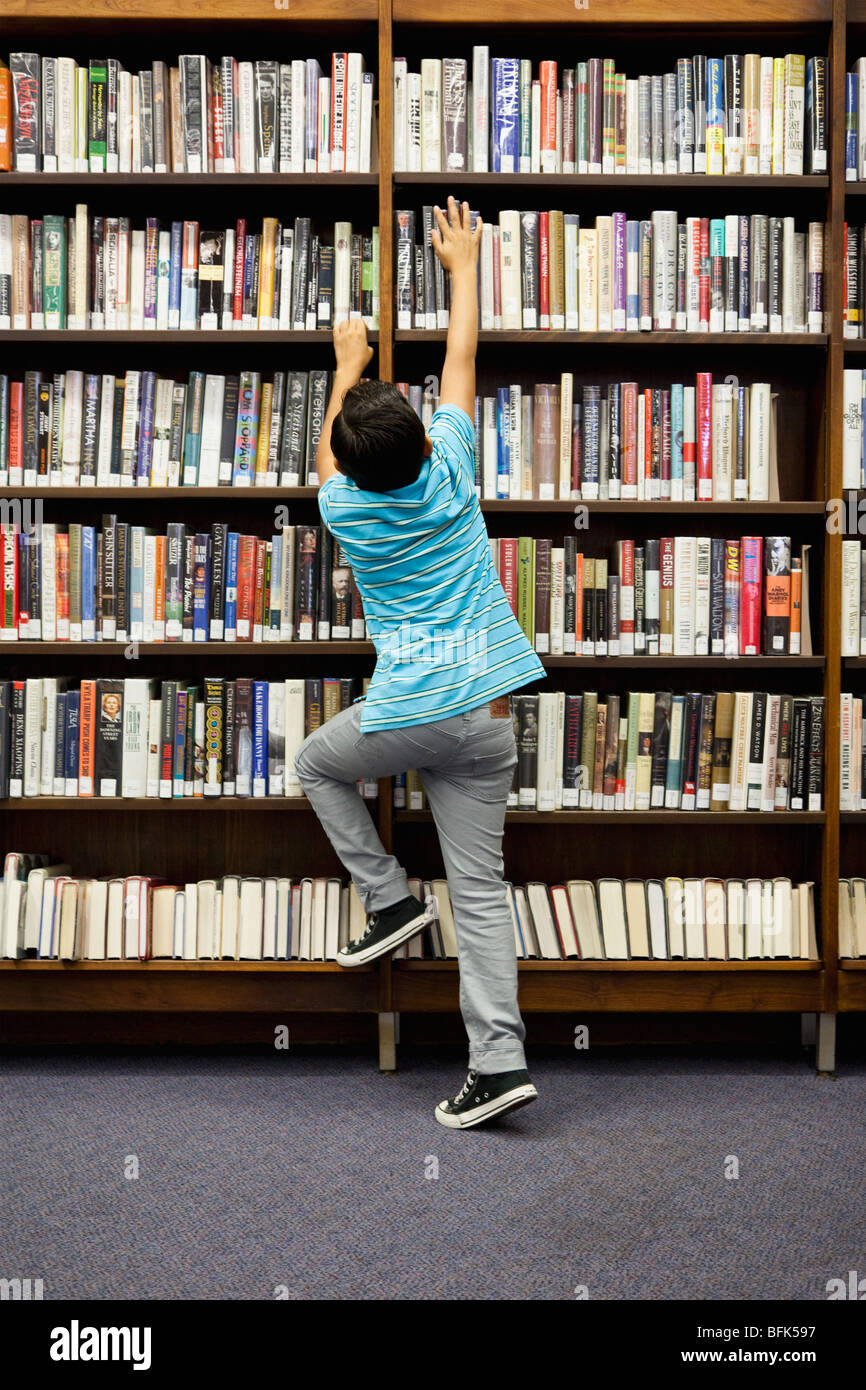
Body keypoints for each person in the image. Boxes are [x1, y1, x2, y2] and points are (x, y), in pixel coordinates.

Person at [294, 197, 546, 1129]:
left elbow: (328, 457)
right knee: (481, 892)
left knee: (315, 763)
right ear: (420, 429)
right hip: (489, 717)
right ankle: (498, 1065)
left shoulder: (345, 508)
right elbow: (461, 361)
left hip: (411, 714)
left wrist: (345, 365)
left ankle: (389, 900)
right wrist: (463, 267)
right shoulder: (453, 465)